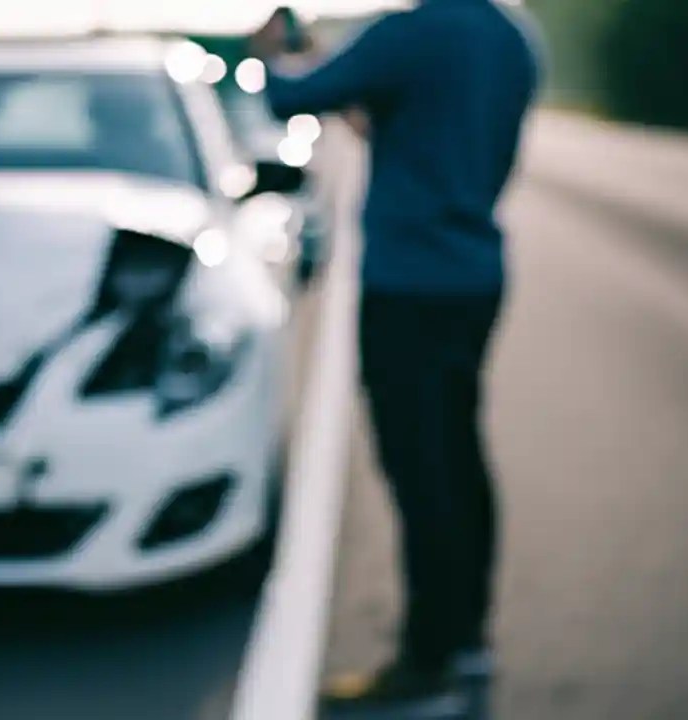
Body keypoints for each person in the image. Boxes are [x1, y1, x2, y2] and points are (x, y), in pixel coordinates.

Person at [250, 0, 539, 709]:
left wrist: (267, 52)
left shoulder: (408, 34)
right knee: (459, 456)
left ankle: (428, 661)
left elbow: (292, 97)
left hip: (409, 282)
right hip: (475, 276)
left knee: (419, 471)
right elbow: (443, 128)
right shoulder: (513, 37)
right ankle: (468, 642)